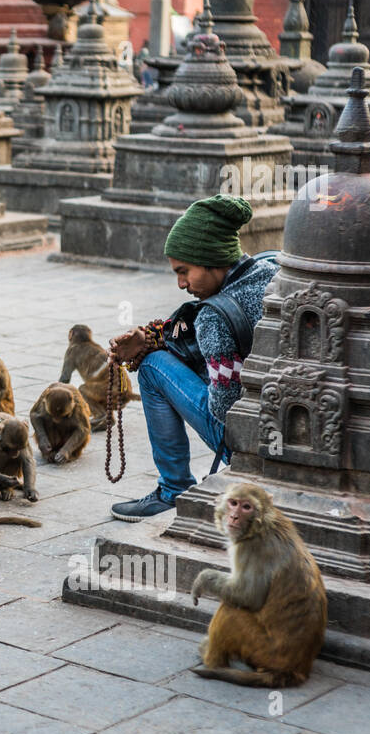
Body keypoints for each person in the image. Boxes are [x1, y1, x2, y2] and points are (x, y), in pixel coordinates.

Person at [107, 195, 278, 521]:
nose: (181, 284)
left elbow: (224, 408)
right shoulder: (272, 271)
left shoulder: (214, 317)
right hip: (284, 428)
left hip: (244, 440)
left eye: (184, 271)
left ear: (212, 260)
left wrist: (177, 361)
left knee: (153, 367)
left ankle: (172, 489)